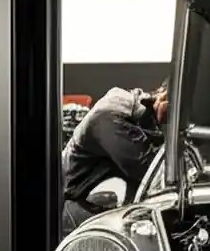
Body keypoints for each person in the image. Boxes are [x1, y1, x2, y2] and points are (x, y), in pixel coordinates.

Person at [60, 80, 168, 237]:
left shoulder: (138, 115)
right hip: (78, 212)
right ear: (163, 95)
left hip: (90, 205)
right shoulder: (111, 114)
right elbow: (148, 170)